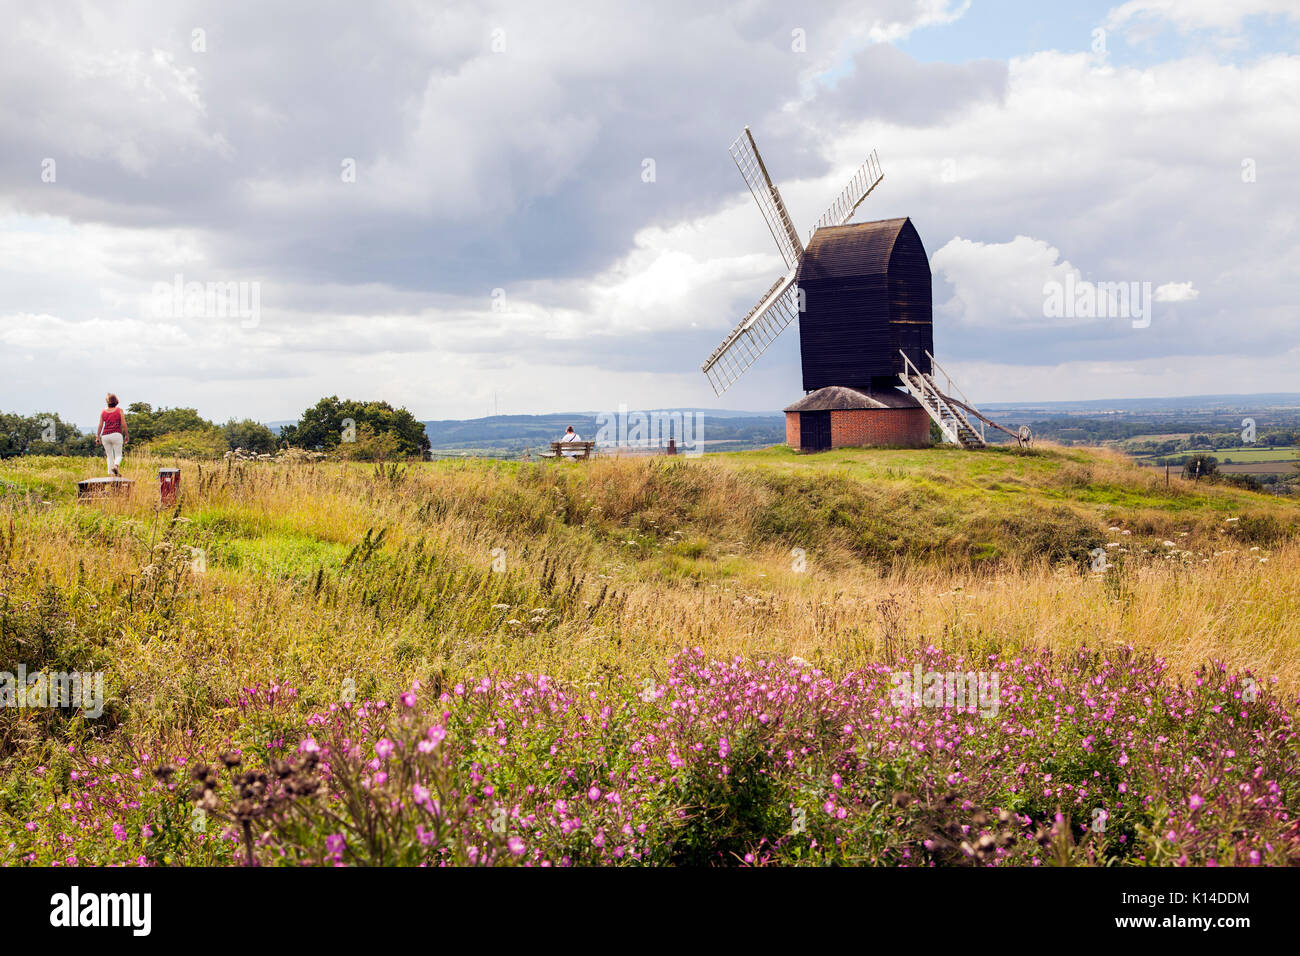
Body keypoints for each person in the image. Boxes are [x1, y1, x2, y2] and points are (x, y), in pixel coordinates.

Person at [95, 393, 129, 476]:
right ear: (116, 401)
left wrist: (98, 436)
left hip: (105, 435)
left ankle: (110, 475)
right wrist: (127, 435)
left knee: (109, 456)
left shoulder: (103, 412)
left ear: (107, 402)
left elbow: (100, 425)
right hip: (116, 434)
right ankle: (116, 466)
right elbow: (123, 424)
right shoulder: (119, 410)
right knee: (118, 455)